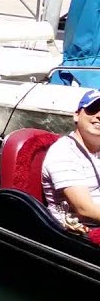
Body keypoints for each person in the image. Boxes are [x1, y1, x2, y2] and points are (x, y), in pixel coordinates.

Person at [42, 89, 100, 230]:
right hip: (79, 234)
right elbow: (85, 208)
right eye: (93, 109)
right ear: (76, 115)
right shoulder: (63, 152)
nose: (99, 115)